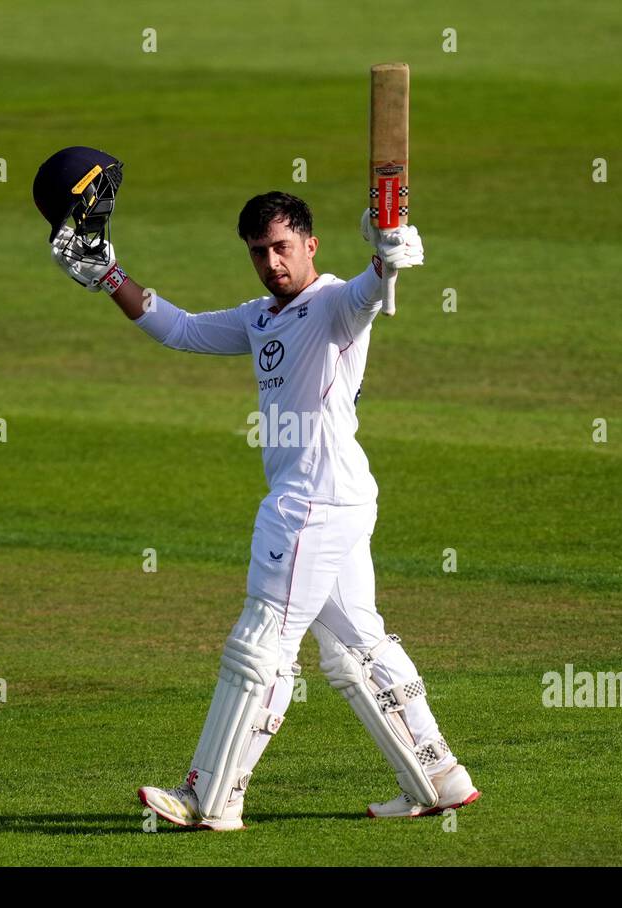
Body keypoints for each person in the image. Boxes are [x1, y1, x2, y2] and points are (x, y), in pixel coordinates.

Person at [35, 147, 478, 831]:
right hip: (337, 500)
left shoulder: (334, 303)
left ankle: (211, 797)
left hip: (311, 504)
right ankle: (439, 777)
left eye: (281, 248)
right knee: (357, 647)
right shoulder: (260, 317)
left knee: (263, 640)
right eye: (258, 252)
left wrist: (388, 250)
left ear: (308, 244)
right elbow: (178, 329)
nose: (272, 263)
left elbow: (373, 285)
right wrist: (109, 276)